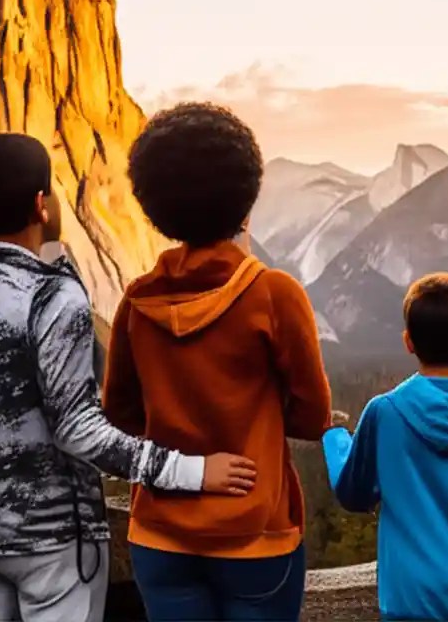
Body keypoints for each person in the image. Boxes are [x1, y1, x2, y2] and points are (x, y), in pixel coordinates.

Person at [0, 132, 256, 622]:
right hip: (49, 541)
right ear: (41, 204)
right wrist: (192, 471)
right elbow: (78, 428)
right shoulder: (49, 297)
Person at [102, 103, 333, 621]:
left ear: (153, 204)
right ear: (245, 198)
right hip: (255, 534)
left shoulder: (137, 300)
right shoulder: (273, 293)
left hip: (160, 534)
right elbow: (314, 417)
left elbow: (119, 414)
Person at [322, 273, 448, 620]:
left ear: (408, 341)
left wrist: (334, 437)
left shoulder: (385, 413)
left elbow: (354, 494)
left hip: (409, 600)